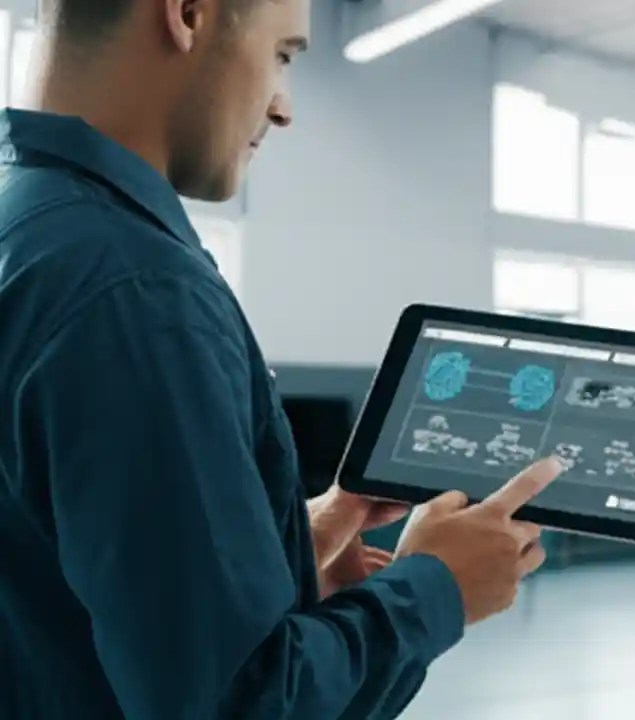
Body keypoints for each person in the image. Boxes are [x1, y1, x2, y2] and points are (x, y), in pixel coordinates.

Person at [0, 0, 562, 717]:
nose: (283, 106)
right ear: (189, 13)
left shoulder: (29, 226)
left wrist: (293, 544)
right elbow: (242, 702)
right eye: (283, 54)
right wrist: (437, 586)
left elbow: (57, 573)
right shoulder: (134, 288)